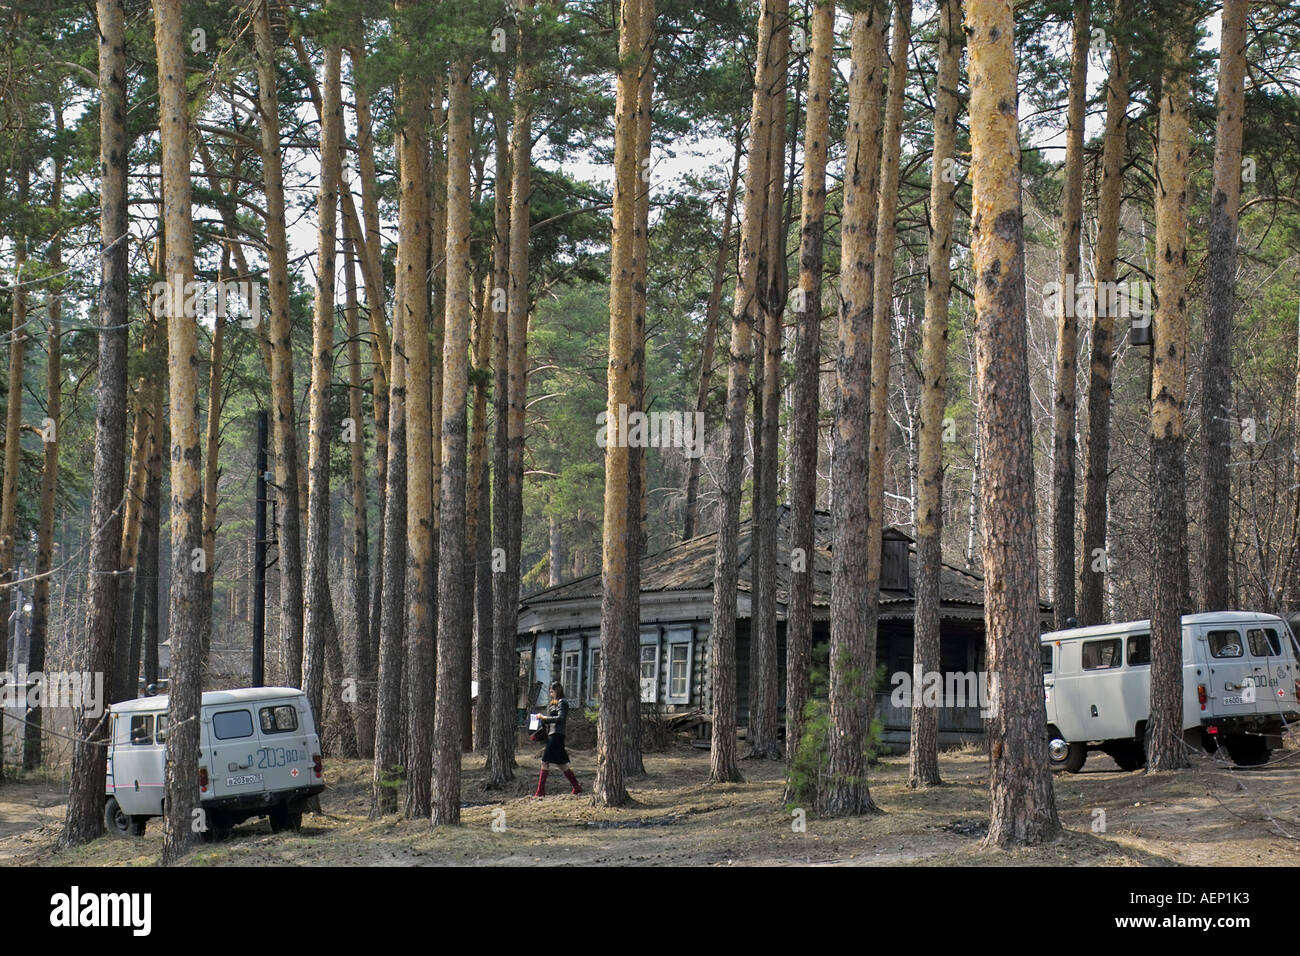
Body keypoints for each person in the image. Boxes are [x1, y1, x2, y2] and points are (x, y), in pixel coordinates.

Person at [532, 682, 581, 796]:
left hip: (557, 735)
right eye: (550, 691)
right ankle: (576, 787)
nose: (550, 693)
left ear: (557, 691)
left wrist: (545, 718)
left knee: (545, 762)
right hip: (553, 734)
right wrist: (541, 720)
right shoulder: (554, 703)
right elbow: (551, 718)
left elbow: (560, 718)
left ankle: (540, 791)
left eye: (552, 691)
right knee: (561, 764)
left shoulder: (562, 702)